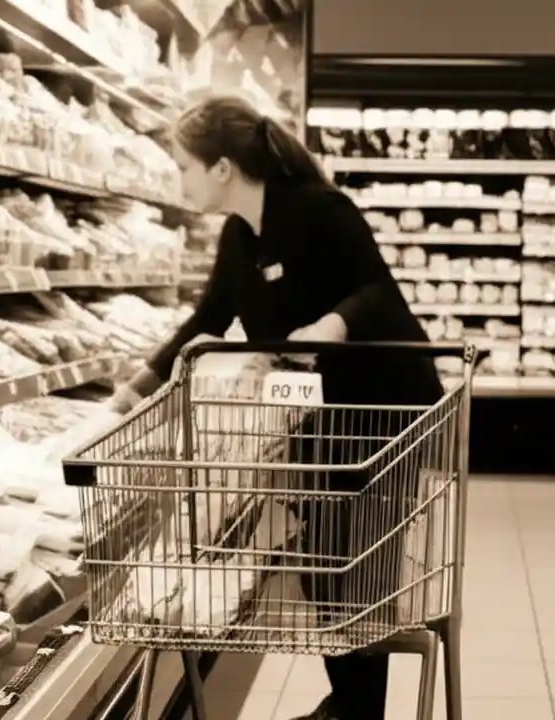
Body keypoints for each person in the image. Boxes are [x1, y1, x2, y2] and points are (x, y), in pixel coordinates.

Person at [109, 94, 445, 720]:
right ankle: (350, 705)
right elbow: (208, 319)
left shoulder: (319, 210)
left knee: (353, 567)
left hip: (382, 406)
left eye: (183, 166)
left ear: (222, 168)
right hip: (321, 413)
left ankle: (357, 710)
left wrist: (333, 325)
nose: (177, 180)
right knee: (327, 565)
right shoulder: (240, 236)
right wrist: (138, 385)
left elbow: (378, 288)